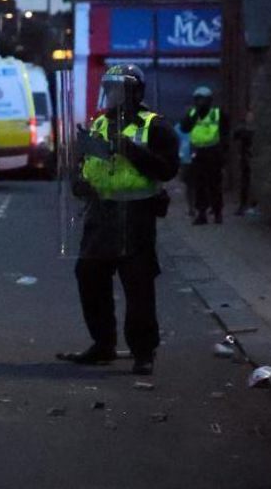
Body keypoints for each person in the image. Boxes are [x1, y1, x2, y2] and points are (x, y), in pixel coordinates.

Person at [57, 64, 179, 376]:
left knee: (137, 284)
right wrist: (80, 182)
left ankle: (143, 352)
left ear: (136, 92)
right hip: (101, 213)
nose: (112, 95)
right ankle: (103, 344)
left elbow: (167, 170)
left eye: (119, 89)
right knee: (88, 274)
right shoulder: (99, 123)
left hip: (136, 215)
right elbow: (86, 163)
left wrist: (130, 150)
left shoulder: (155, 126)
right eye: (109, 89)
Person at [180, 86, 227, 225]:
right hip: (198, 152)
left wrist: (224, 152)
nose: (200, 102)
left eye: (203, 99)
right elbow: (184, 127)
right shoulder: (193, 113)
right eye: (198, 99)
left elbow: (225, 132)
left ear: (209, 100)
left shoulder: (217, 113)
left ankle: (217, 212)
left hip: (213, 152)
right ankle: (201, 213)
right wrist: (193, 116)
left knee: (215, 184)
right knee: (199, 184)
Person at [233, 109, 257, 216]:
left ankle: (253, 205)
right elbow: (235, 137)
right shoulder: (242, 130)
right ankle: (243, 206)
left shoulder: (257, 130)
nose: (250, 118)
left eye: (251, 116)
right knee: (244, 183)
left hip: (255, 159)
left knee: (253, 183)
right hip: (244, 159)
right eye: (248, 116)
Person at [174, 121, 195, 217]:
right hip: (189, 159)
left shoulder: (179, 127)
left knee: (191, 186)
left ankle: (193, 207)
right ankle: (192, 207)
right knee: (191, 185)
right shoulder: (179, 127)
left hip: (188, 159)